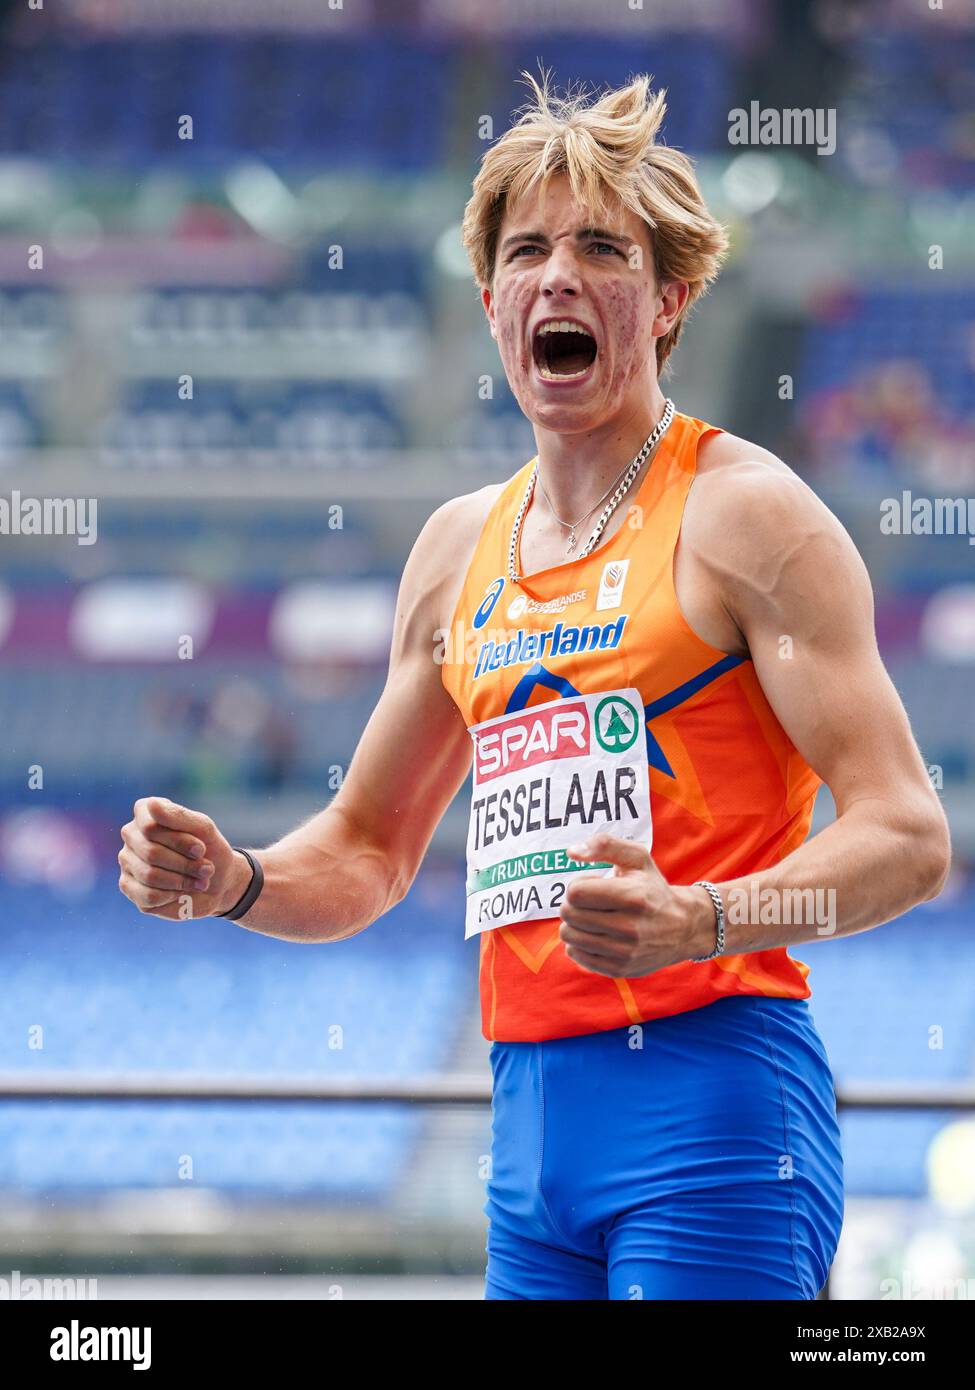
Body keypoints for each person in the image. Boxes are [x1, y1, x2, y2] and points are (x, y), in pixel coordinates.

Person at [118, 74, 951, 1300]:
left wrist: (708, 918)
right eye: (527, 252)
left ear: (667, 301)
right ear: (496, 303)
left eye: (600, 247)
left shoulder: (747, 514)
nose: (556, 274)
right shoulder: (458, 550)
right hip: (528, 1133)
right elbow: (366, 845)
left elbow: (910, 836)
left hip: (713, 1109)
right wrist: (237, 880)